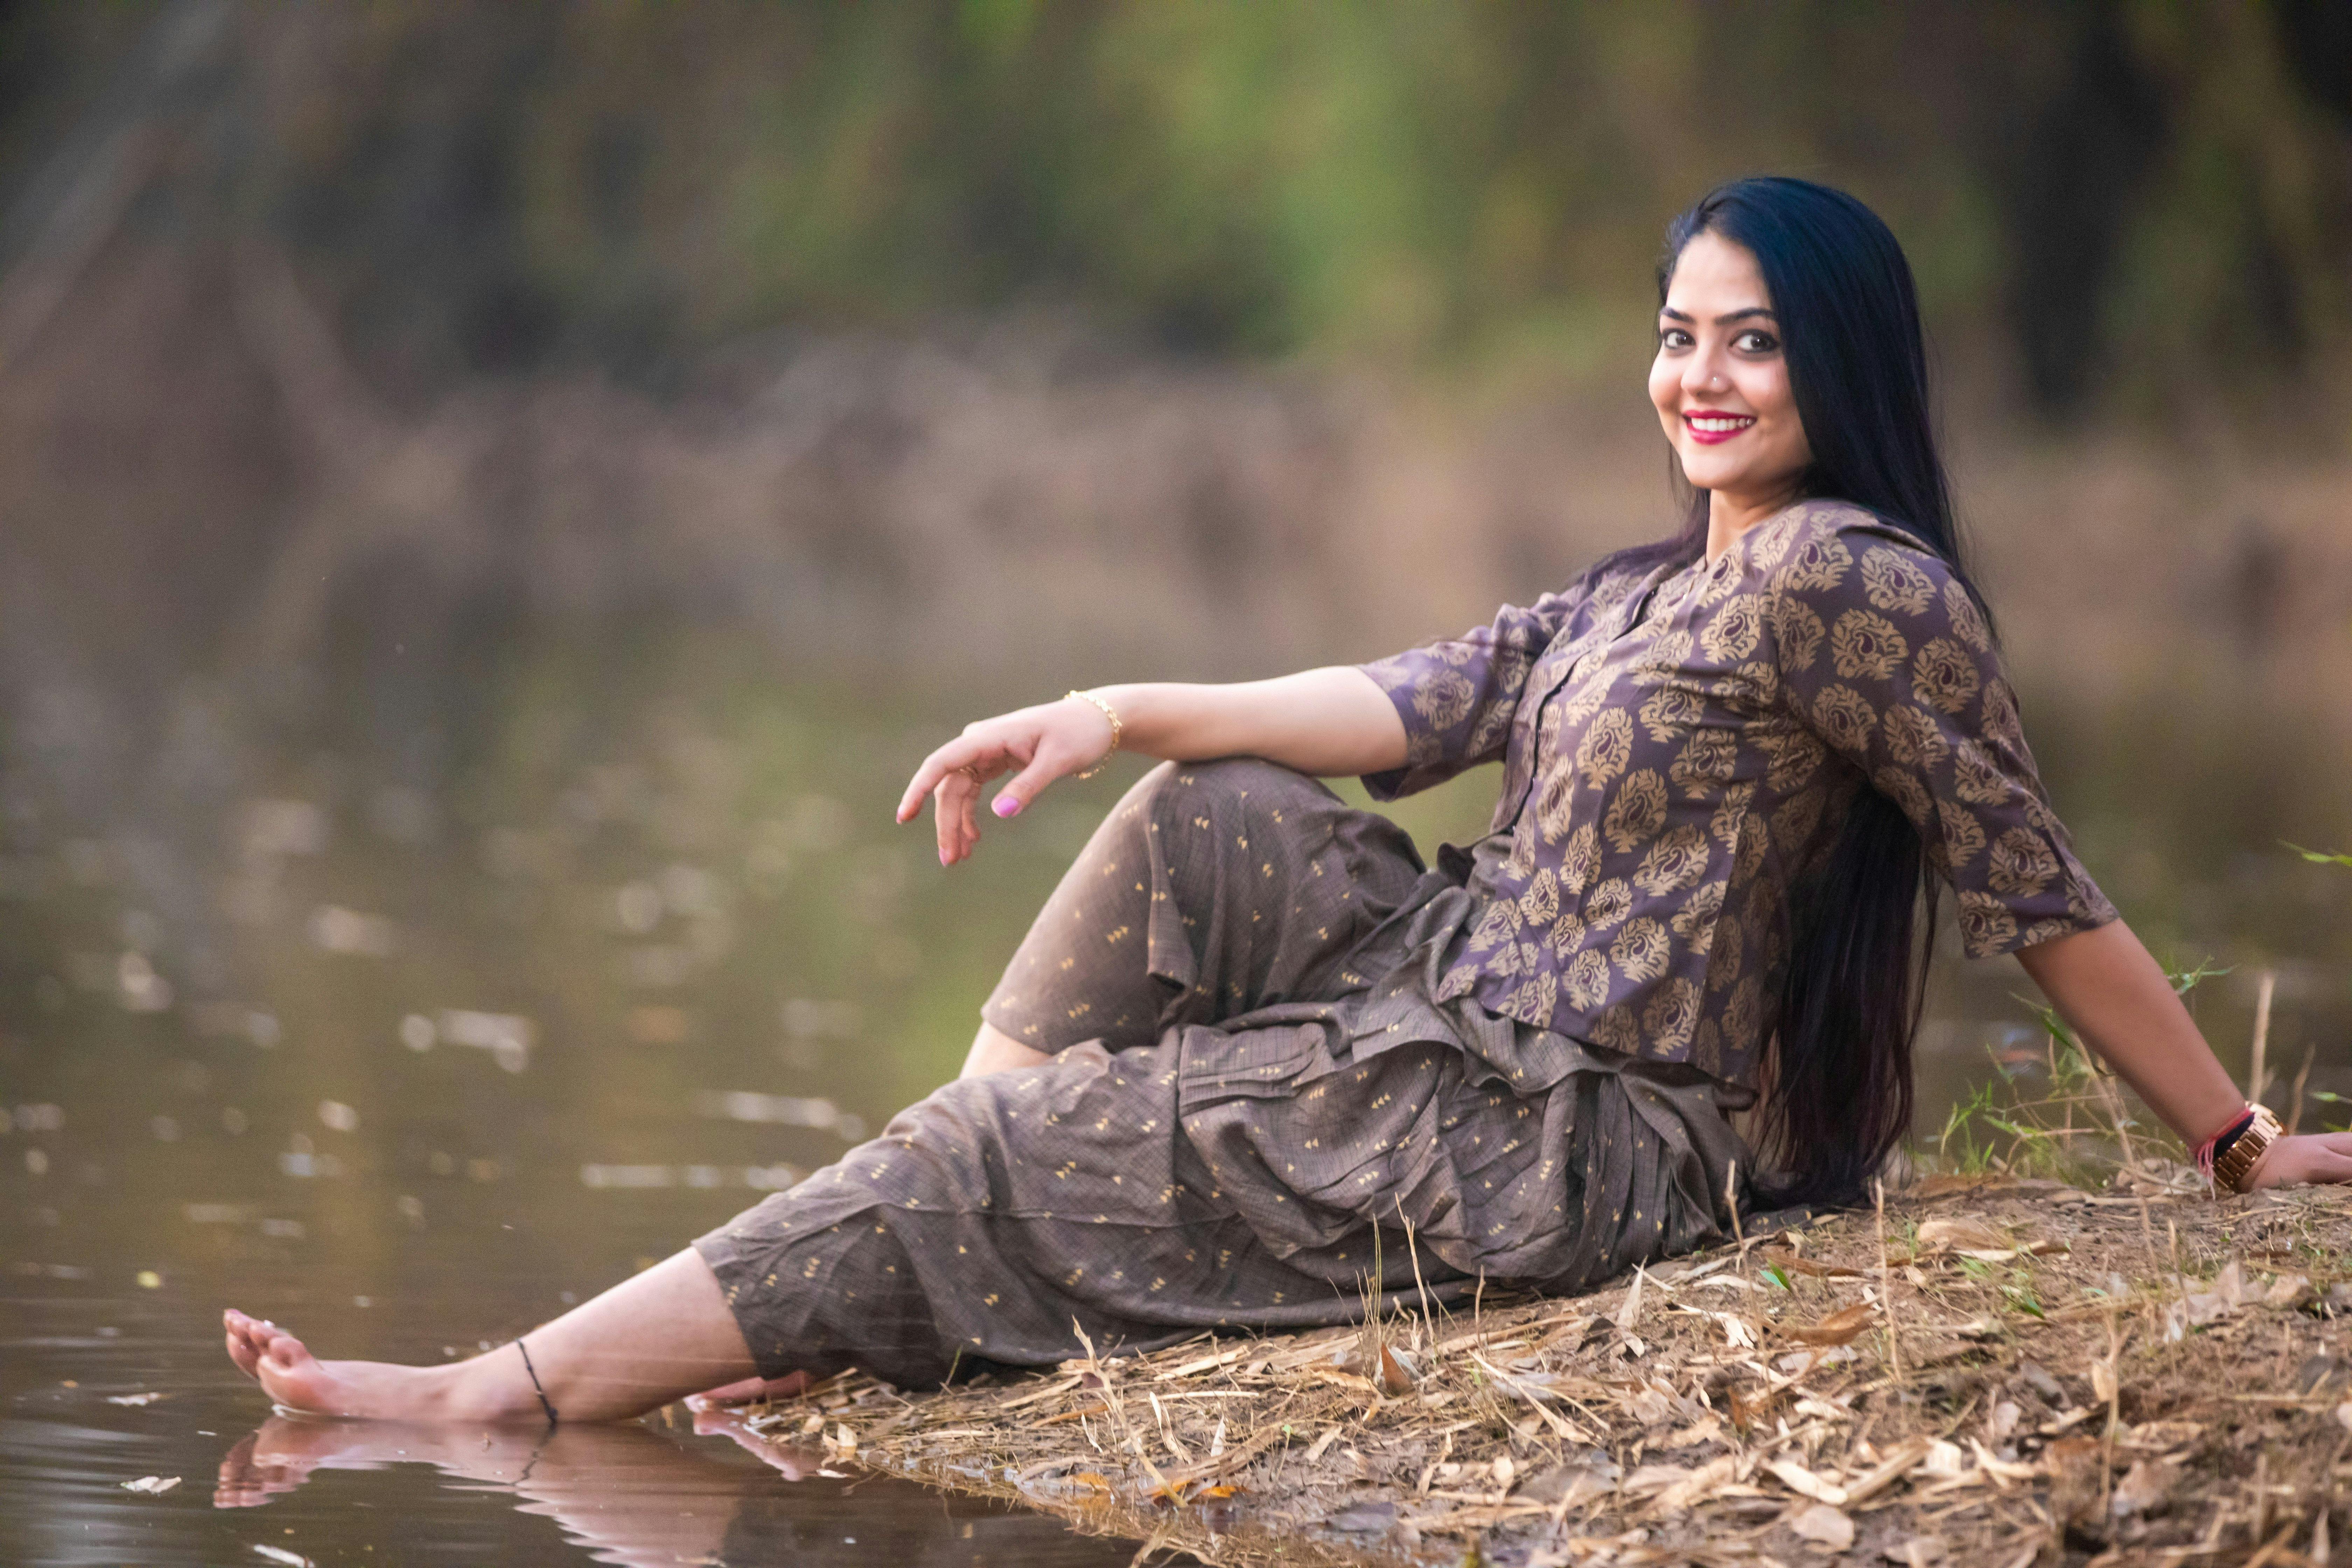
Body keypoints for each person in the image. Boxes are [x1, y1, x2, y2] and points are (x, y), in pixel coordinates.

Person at [222, 176, 2352, 1425]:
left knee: (1001, 1147)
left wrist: (2236, 1145)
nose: (1697, 379)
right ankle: (900, 1249)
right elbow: (1403, 702)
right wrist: (1104, 709)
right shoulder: (1653, 583)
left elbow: (2036, 891)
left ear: (1840, 366)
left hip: (1576, 1129)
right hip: (1463, 990)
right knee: (1207, 807)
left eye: (1754, 345)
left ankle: (489, 1395)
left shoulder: (1858, 588)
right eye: (1678, 335)